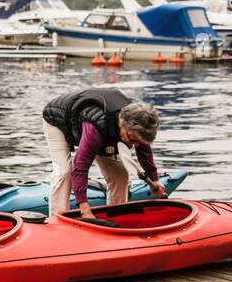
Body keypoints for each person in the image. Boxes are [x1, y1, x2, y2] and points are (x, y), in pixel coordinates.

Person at [41, 86, 167, 219]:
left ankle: (116, 218)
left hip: (101, 129)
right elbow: (80, 168)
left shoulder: (140, 124)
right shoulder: (96, 128)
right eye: (131, 139)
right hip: (57, 118)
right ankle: (57, 221)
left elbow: (144, 151)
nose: (133, 145)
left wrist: (155, 180)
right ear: (122, 124)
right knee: (64, 172)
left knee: (120, 174)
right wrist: (85, 210)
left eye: (138, 142)